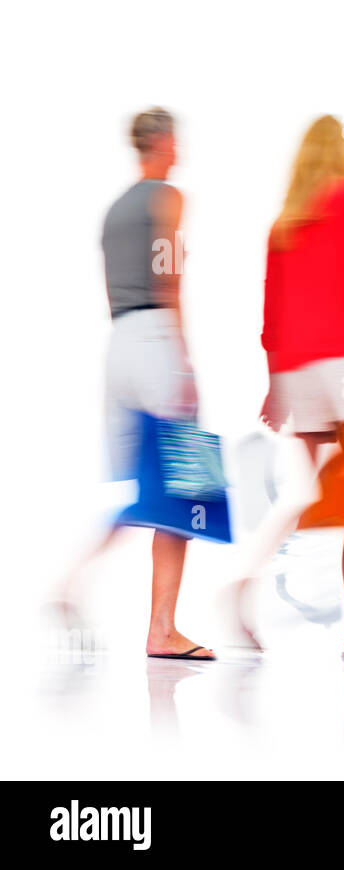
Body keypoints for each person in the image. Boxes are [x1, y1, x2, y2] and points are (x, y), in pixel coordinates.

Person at [233, 115, 344, 662]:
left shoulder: (283, 223)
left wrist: (274, 384)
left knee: (308, 492)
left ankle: (242, 583)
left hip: (299, 370)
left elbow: (272, 312)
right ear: (340, 150)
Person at [64, 107, 215, 660]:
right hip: (155, 340)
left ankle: (70, 584)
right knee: (184, 487)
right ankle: (162, 629)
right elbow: (169, 278)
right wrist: (184, 360)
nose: (181, 148)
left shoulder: (113, 210)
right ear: (161, 142)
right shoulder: (167, 198)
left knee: (145, 488)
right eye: (177, 138)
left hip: (119, 343)